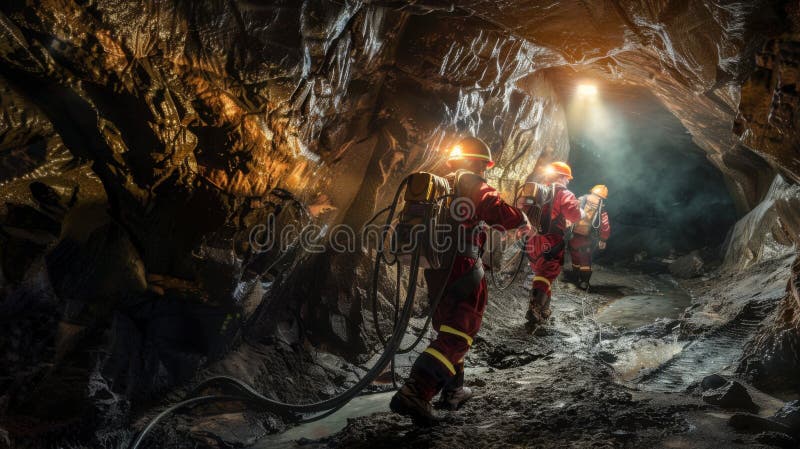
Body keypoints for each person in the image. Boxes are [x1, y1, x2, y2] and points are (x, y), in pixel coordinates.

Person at [390, 136, 530, 425]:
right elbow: (495, 208)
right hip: (463, 265)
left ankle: (453, 390)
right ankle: (417, 390)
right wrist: (521, 220)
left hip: (437, 267)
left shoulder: (444, 184)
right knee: (461, 331)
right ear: (480, 163)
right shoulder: (470, 182)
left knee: (448, 326)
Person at [524, 162, 582, 326]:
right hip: (550, 239)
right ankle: (534, 308)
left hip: (532, 239)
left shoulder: (537, 190)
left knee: (542, 274)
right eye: (567, 178)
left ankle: (543, 310)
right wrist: (581, 212)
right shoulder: (563, 193)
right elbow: (575, 215)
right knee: (548, 271)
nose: (568, 182)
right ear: (562, 177)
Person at [568, 185, 611, 290]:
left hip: (573, 235)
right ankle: (584, 282)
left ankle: (575, 278)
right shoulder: (601, 208)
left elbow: (569, 212)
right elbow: (605, 225)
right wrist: (603, 239)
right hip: (587, 238)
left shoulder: (580, 200)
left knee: (575, 257)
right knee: (585, 259)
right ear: (603, 197)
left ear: (592, 191)